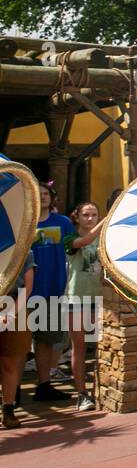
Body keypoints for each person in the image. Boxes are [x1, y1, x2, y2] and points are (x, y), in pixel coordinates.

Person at [30, 183, 74, 402]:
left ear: (51, 197)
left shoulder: (63, 223)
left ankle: (44, 384)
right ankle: (12, 392)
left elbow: (75, 247)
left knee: (46, 341)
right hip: (24, 293)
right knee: (16, 346)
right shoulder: (23, 224)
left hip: (53, 291)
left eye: (46, 193)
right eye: (38, 194)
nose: (43, 197)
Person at [65, 201, 106, 412]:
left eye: (95, 215)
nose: (90, 219)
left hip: (101, 298)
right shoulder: (69, 238)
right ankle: (81, 394)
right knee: (79, 346)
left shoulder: (106, 239)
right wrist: (106, 221)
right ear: (77, 217)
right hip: (76, 298)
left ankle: (102, 389)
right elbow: (84, 242)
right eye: (86, 215)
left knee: (103, 346)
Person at [1, 250, 35, 428]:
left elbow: (27, 287)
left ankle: (8, 408)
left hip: (14, 306)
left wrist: (10, 314)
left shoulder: (24, 250)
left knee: (10, 362)